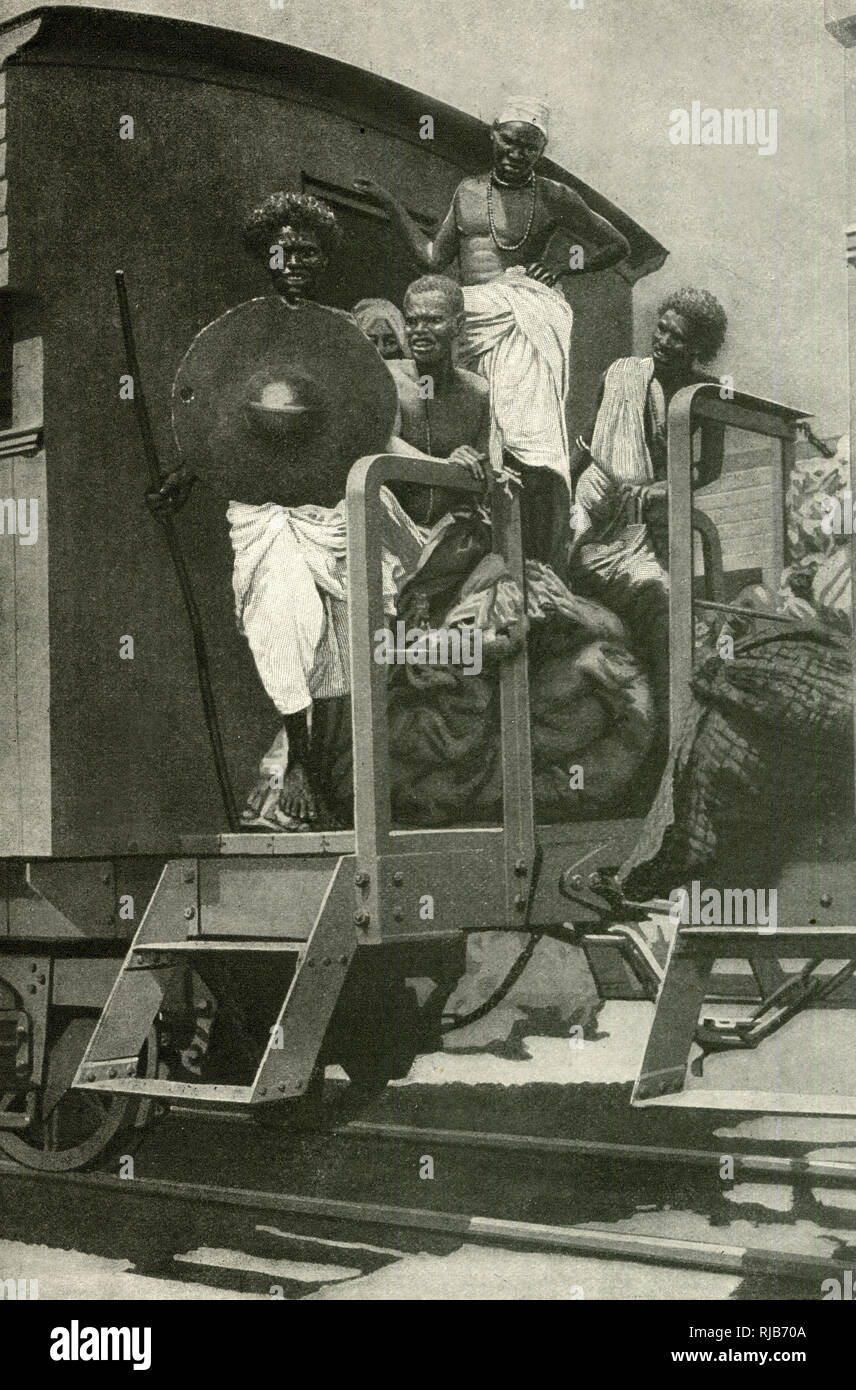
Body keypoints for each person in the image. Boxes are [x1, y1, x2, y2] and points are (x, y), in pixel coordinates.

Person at [149, 192, 425, 831]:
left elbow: (368, 425)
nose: (296, 261)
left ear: (324, 258)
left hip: (329, 504)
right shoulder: (248, 330)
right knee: (283, 619)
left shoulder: (343, 334)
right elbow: (223, 421)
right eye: (285, 250)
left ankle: (313, 775)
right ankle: (297, 765)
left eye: (310, 251)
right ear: (267, 256)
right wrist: (183, 476)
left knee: (342, 642)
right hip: (265, 508)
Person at [354, 97, 630, 490]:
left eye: (529, 147)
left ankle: (529, 491)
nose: (517, 154)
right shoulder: (468, 191)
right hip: (468, 320)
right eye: (509, 141)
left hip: (519, 310)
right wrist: (389, 203)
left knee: (516, 427)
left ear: (541, 151)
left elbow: (617, 245)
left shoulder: (554, 196)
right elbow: (432, 259)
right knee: (469, 409)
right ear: (493, 135)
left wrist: (561, 268)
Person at [568, 288, 729, 760]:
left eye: (677, 338)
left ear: (697, 347)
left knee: (661, 603)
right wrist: (558, 481)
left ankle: (671, 739)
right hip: (597, 506)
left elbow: (709, 468)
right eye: (661, 328)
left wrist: (665, 488)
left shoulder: (704, 394)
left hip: (645, 523)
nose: (662, 341)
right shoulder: (621, 376)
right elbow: (588, 442)